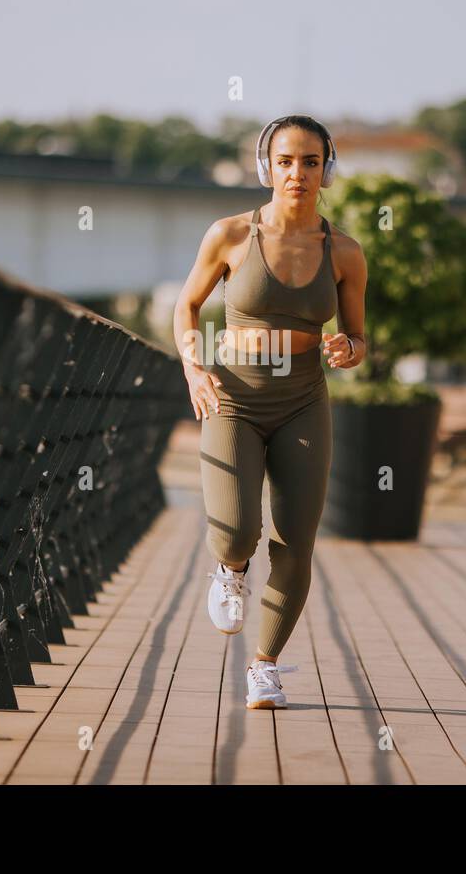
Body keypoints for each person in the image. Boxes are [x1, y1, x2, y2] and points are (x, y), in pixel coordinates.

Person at [172, 115, 368, 709]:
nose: (297, 173)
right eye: (285, 161)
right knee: (236, 529)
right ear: (266, 168)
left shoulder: (347, 253)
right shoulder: (230, 235)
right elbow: (187, 306)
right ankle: (230, 569)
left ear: (326, 171)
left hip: (304, 398)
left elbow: (359, 338)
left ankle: (265, 666)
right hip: (232, 393)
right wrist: (193, 365)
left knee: (295, 539)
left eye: (310, 162)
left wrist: (349, 349)